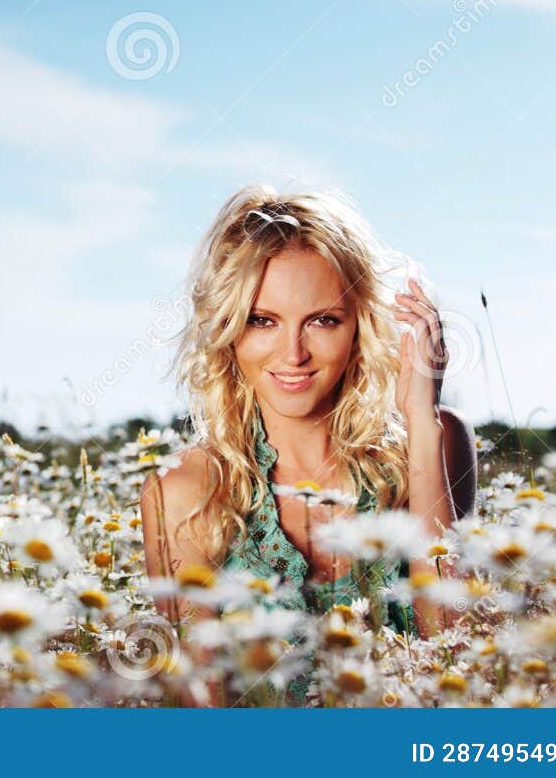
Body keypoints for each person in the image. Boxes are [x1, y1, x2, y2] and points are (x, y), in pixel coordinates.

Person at [140, 185, 477, 704]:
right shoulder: (185, 492)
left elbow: (457, 655)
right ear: (229, 331)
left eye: (323, 320)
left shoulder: (432, 444)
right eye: (262, 320)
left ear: (359, 327)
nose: (293, 353)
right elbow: (197, 712)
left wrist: (422, 419)